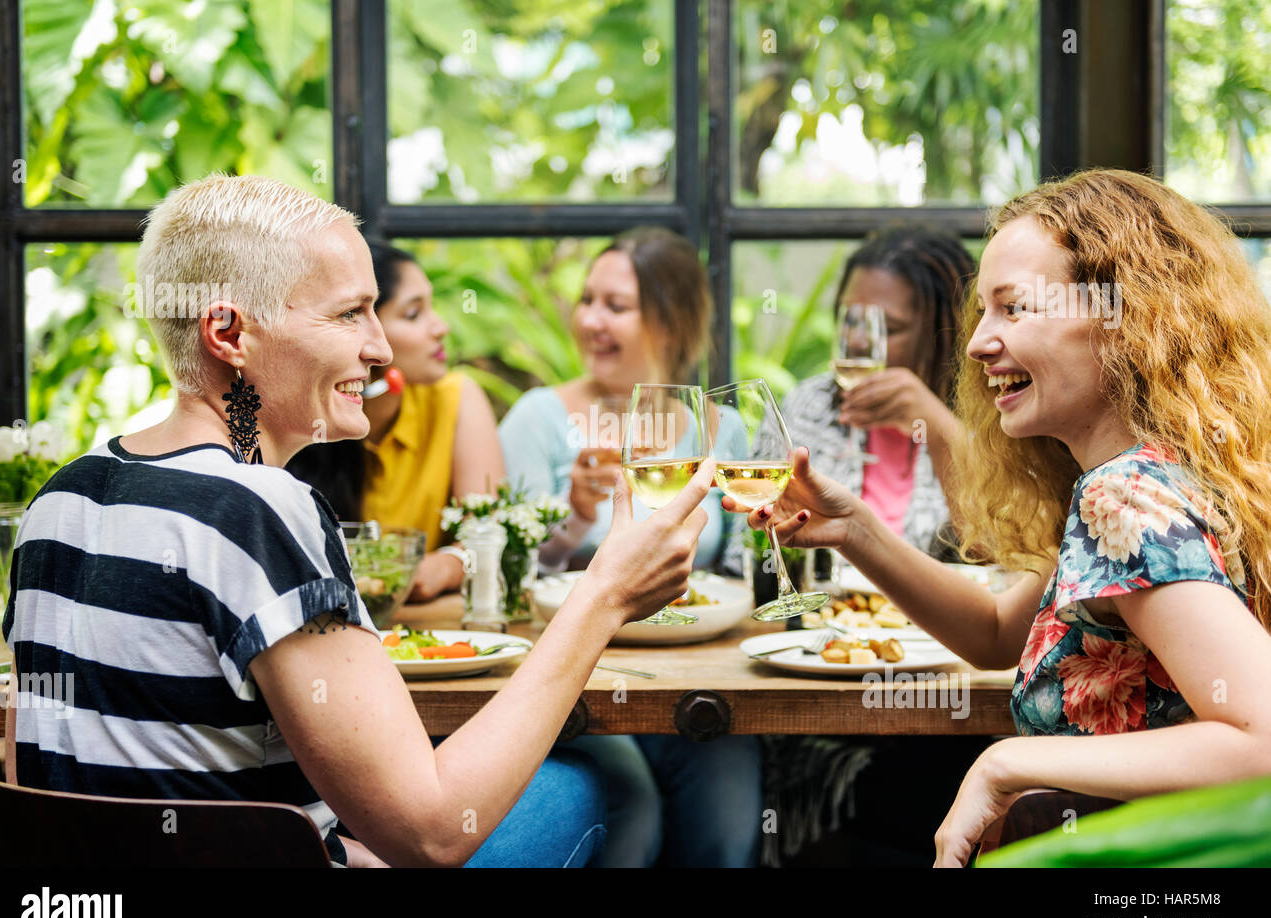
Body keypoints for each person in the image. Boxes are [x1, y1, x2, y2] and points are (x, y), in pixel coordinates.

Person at [4, 173, 716, 868]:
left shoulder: (57, 499)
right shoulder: (258, 510)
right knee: (598, 788)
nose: (379, 349)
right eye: (349, 314)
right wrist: (605, 595)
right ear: (228, 332)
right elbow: (433, 832)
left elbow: (40, 776)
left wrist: (333, 846)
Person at [726, 168, 1271, 867]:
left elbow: (1260, 740)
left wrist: (1004, 764)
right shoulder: (1165, 471)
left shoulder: (1125, 495)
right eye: (982, 312)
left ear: (1123, 316)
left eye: (1013, 309)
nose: (980, 342)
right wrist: (855, 529)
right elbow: (994, 634)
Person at [499, 227, 762, 867]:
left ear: (671, 321)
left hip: (697, 674)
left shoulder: (721, 427)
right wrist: (572, 518)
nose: (591, 319)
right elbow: (510, 578)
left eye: (616, 306)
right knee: (632, 813)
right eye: (587, 300)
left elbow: (740, 566)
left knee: (730, 823)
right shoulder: (538, 418)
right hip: (577, 680)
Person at [727, 227, 981, 866]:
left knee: (933, 769)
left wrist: (936, 421)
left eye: (888, 329)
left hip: (941, 676)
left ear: (942, 330)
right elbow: (748, 555)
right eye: (851, 326)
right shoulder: (810, 406)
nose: (862, 348)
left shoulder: (986, 413)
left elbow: (993, 553)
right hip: (820, 663)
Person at [286, 244, 503, 602]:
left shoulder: (456, 398)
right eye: (414, 314)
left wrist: (447, 564)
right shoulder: (306, 416)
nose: (441, 328)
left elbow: (487, 531)